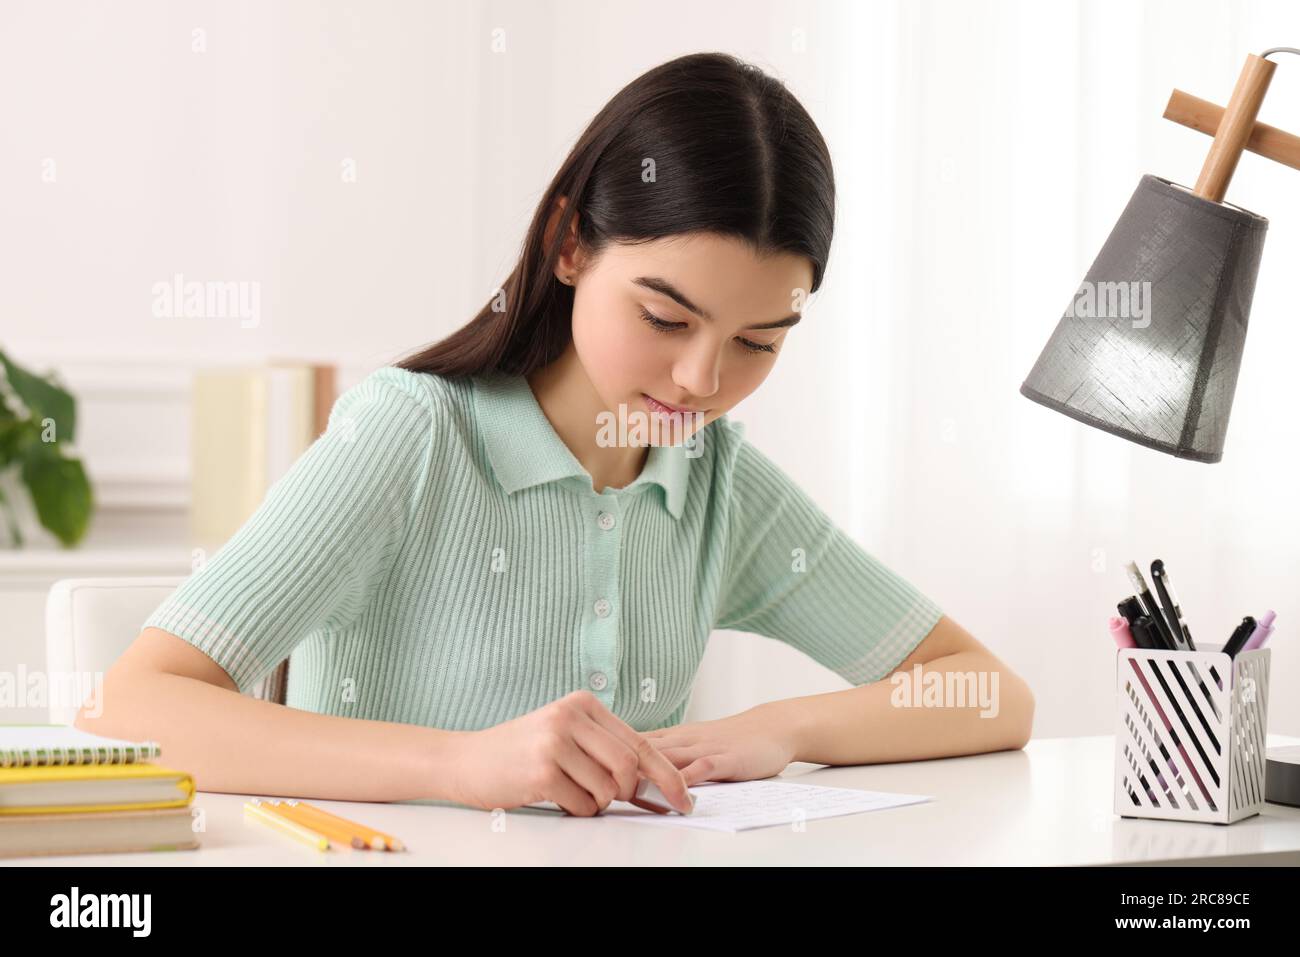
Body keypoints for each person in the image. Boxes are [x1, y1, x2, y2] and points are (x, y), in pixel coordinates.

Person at [78, 52, 1033, 818]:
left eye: (756, 342)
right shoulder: (413, 439)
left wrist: (783, 728)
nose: (703, 381)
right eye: (665, 318)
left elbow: (989, 692)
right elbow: (131, 707)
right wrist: (462, 764)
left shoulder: (715, 484)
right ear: (568, 243)